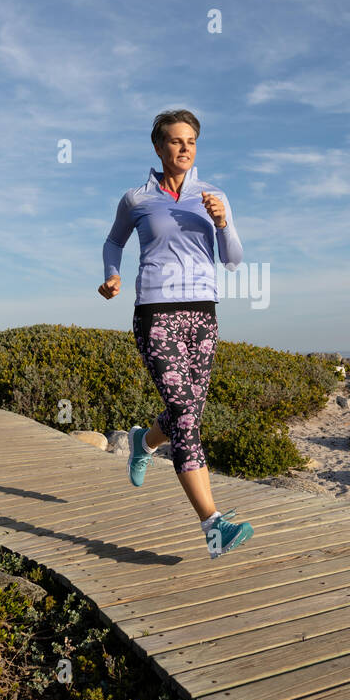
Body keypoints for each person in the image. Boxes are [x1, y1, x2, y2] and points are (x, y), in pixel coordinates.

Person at [99, 109, 253, 559]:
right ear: (158, 146)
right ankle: (213, 525)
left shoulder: (213, 194)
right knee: (185, 413)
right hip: (155, 310)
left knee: (190, 413)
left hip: (203, 313)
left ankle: (143, 441)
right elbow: (114, 242)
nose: (184, 148)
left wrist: (222, 222)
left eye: (191, 141)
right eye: (175, 141)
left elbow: (234, 259)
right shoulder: (137, 199)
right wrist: (112, 275)